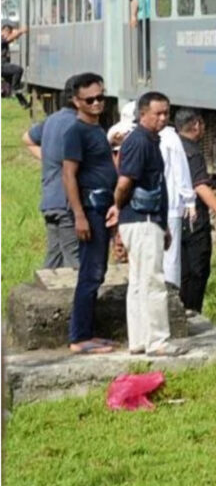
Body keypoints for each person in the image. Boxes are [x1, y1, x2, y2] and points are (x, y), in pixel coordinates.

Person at [114, 91, 186, 356]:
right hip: (142, 219)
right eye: (158, 113)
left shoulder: (148, 140)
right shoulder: (141, 142)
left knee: (138, 281)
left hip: (144, 220)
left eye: (167, 113)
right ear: (143, 114)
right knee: (154, 281)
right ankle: (157, 341)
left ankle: (139, 339)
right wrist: (118, 207)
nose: (163, 118)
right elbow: (124, 183)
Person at [60, 73, 119, 354]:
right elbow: (69, 175)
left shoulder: (96, 129)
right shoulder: (76, 132)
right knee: (91, 271)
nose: (97, 103)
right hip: (90, 209)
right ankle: (80, 337)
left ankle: (87, 332)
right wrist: (79, 215)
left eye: (100, 97)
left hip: (102, 207)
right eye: (90, 100)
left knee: (98, 271)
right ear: (76, 101)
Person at [176, 108, 216, 315]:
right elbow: (200, 186)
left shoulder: (172, 146)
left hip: (176, 217)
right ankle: (192, 313)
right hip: (194, 219)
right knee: (197, 269)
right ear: (197, 125)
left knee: (182, 269)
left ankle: (180, 311)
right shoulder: (193, 152)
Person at [23, 81, 81, 268]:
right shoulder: (77, 124)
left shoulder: (52, 120)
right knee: (74, 261)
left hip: (50, 200)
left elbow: (27, 138)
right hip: (67, 202)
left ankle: (42, 287)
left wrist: (47, 158)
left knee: (54, 258)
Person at [160, 120, 196, 290]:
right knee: (170, 258)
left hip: (164, 206)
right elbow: (181, 171)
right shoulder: (170, 138)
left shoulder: (167, 138)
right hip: (170, 206)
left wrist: (189, 200)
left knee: (166, 257)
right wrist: (189, 200)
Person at [2, 23, 29, 92]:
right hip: (2, 65)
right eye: (7, 31)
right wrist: (21, 31)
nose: (8, 34)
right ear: (3, 31)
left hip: (4, 65)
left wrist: (17, 33)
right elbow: (10, 38)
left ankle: (8, 91)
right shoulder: (2, 38)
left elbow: (13, 37)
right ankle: (15, 89)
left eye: (9, 32)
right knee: (18, 70)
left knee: (11, 81)